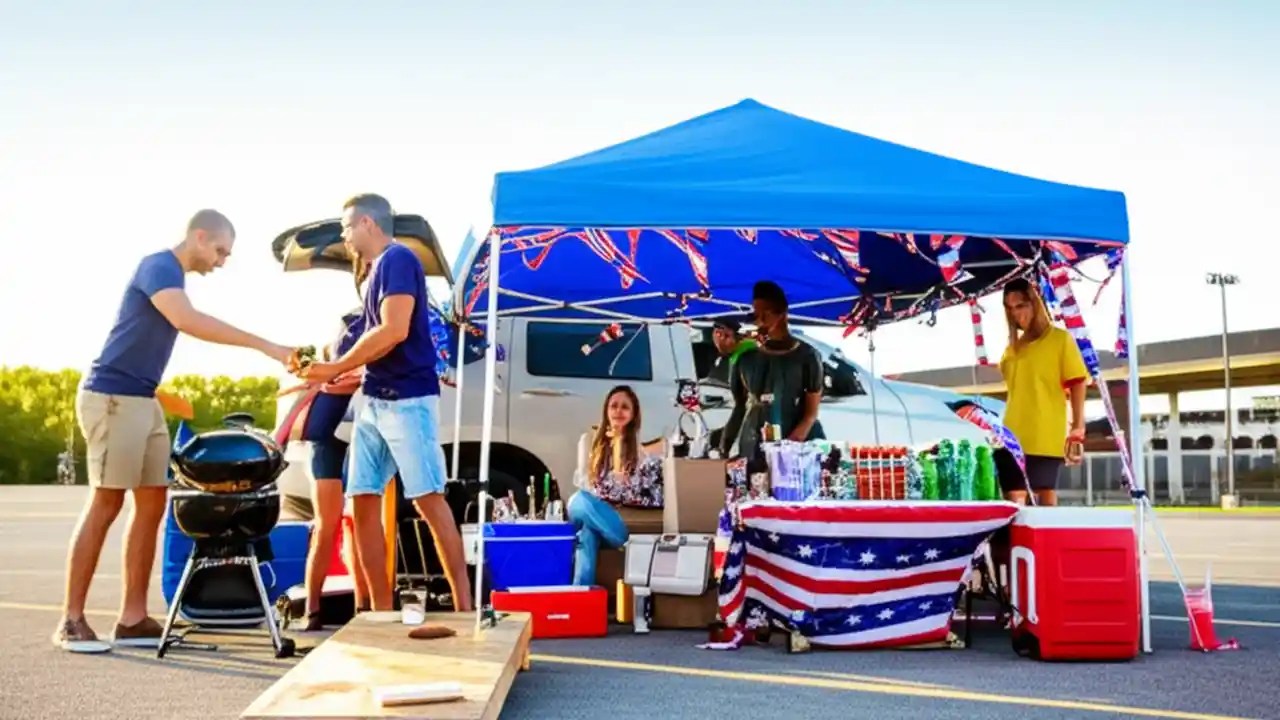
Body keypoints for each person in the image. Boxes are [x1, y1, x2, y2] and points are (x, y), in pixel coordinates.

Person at [57, 210, 292, 653]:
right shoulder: (159, 265)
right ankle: (71, 620)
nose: (221, 261)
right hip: (112, 397)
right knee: (107, 501)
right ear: (199, 237)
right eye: (220, 250)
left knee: (151, 504)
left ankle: (132, 618)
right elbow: (186, 320)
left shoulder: (173, 274)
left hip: (144, 399)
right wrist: (266, 346)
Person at [299, 193, 473, 616]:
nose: (343, 236)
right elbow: (368, 335)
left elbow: (393, 330)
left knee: (428, 500)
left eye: (346, 227)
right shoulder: (376, 271)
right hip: (373, 401)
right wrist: (322, 367)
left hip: (408, 402)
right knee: (361, 501)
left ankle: (465, 610)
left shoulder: (398, 260)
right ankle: (379, 613)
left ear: (367, 225)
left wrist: (336, 366)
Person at [296, 307, 368, 630]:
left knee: (350, 523)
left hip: (348, 429)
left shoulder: (360, 322)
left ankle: (359, 606)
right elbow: (335, 378)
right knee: (332, 524)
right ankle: (314, 608)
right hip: (329, 432)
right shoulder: (354, 324)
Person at [998, 277, 1088, 506]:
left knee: (1043, 495)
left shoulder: (1059, 340)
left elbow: (1077, 382)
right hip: (1011, 435)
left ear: (1035, 303)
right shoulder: (1012, 349)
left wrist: (1078, 426)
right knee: (1011, 501)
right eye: (1010, 308)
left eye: (1020, 305)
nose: (1016, 314)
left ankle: (1049, 542)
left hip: (1044, 433)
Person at [570, 386, 665, 585]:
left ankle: (624, 543)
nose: (618, 411)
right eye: (613, 406)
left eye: (625, 407)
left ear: (633, 414)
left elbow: (626, 488)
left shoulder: (639, 449)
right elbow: (589, 484)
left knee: (580, 510)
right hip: (597, 514)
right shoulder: (592, 443)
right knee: (585, 529)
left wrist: (620, 443)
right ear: (606, 410)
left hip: (619, 520)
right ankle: (581, 596)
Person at [729, 281, 825, 462]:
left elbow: (810, 415)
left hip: (798, 449)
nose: (760, 319)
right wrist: (722, 450)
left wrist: (788, 449)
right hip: (755, 444)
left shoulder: (808, 356)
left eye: (767, 313)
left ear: (782, 314)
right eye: (757, 314)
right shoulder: (746, 359)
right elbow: (739, 408)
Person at [710, 317, 757, 457]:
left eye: (717, 336)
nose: (716, 343)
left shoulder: (745, 357)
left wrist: (725, 445)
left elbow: (741, 405)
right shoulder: (749, 350)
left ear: (723, 334)